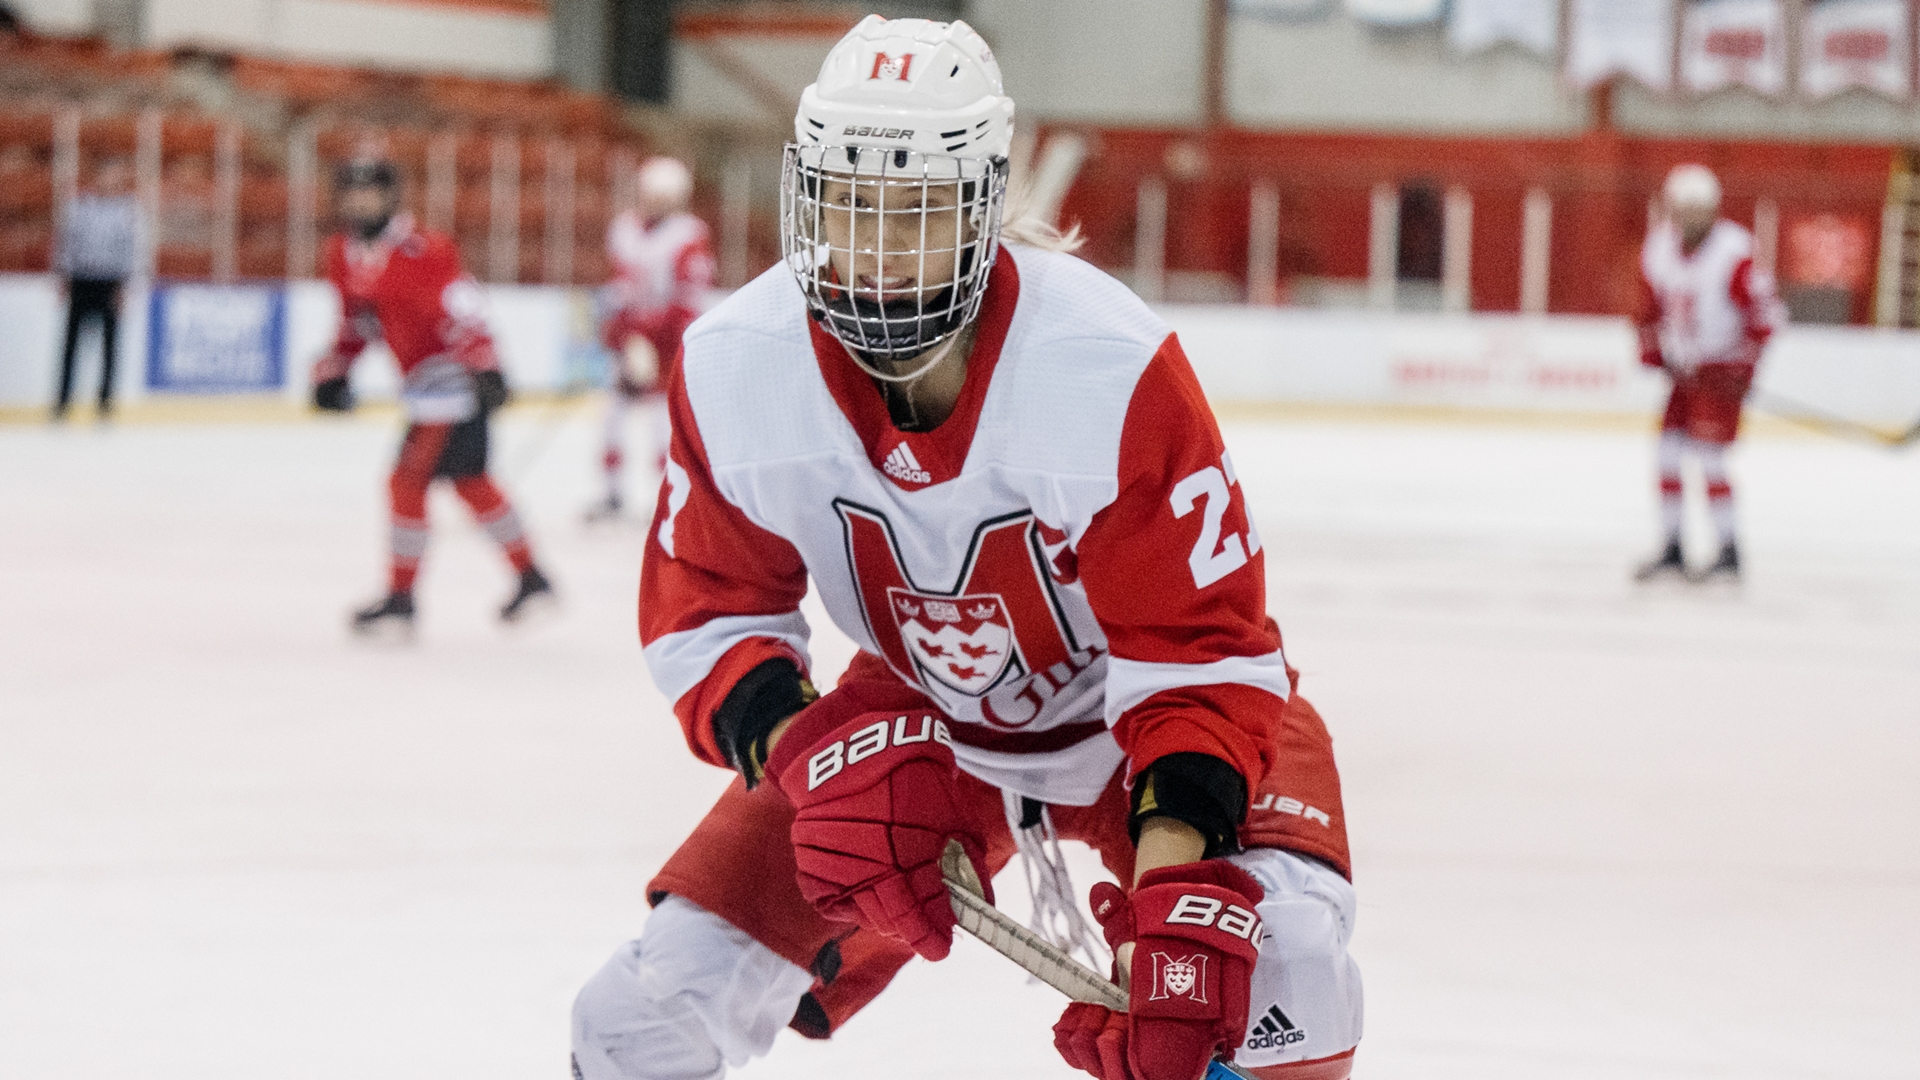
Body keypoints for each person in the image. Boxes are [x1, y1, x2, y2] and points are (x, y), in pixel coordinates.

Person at [572, 17, 1361, 1080]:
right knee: (642, 1016)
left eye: (919, 210)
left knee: (1285, 981)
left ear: (986, 207)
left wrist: (1178, 906)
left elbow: (1198, 654)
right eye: (852, 204)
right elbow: (710, 610)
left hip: (1142, 726)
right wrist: (816, 764)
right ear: (807, 198)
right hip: (914, 721)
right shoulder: (735, 365)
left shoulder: (1105, 364)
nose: (881, 252)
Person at [309, 157, 555, 637]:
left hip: (449, 386)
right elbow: (356, 322)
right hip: (422, 390)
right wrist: (334, 370)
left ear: (390, 195)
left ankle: (402, 598)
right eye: (352, 192)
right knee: (472, 483)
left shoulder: (424, 248)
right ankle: (531, 576)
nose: (361, 201)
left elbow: (462, 305)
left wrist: (485, 365)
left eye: (371, 191)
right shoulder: (344, 253)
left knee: (406, 484)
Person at [1634, 164, 1781, 584]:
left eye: (1701, 208)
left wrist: (1745, 367)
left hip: (1720, 369)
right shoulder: (1660, 247)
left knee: (1711, 460)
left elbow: (1765, 315)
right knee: (1667, 454)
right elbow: (1648, 307)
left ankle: (1729, 548)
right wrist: (1651, 349)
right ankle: (1672, 545)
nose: (1693, 217)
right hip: (1684, 373)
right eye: (1686, 208)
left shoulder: (1734, 252)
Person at [588, 156, 715, 521]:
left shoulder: (689, 234)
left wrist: (655, 334)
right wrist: (619, 329)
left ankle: (668, 498)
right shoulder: (624, 228)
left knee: (663, 420)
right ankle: (611, 493)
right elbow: (619, 283)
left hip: (666, 339)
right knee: (612, 414)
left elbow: (688, 297)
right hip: (632, 336)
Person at [52, 155, 141, 421]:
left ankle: (104, 404)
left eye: (114, 174)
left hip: (111, 282)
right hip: (81, 280)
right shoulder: (79, 207)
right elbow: (66, 243)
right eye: (105, 174)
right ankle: (62, 403)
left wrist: (126, 285)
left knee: (109, 348)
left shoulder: (128, 209)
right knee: (71, 346)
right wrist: (63, 277)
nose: (109, 180)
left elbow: (133, 249)